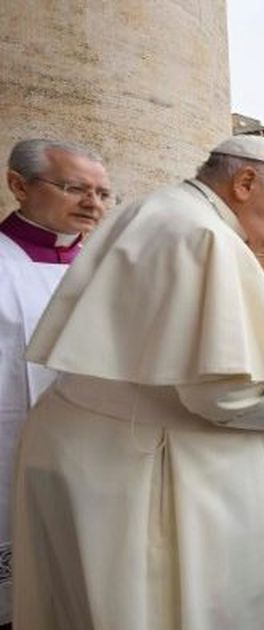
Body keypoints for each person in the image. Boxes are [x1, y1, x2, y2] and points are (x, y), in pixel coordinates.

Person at [11, 136, 264, 630]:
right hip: (138, 469)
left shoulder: (155, 210)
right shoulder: (205, 235)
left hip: (93, 454)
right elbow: (224, 394)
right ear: (245, 182)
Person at [0, 139, 111, 627]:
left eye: (103, 193)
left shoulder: (108, 269)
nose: (93, 204)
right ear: (18, 185)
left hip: (91, 456)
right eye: (74, 188)